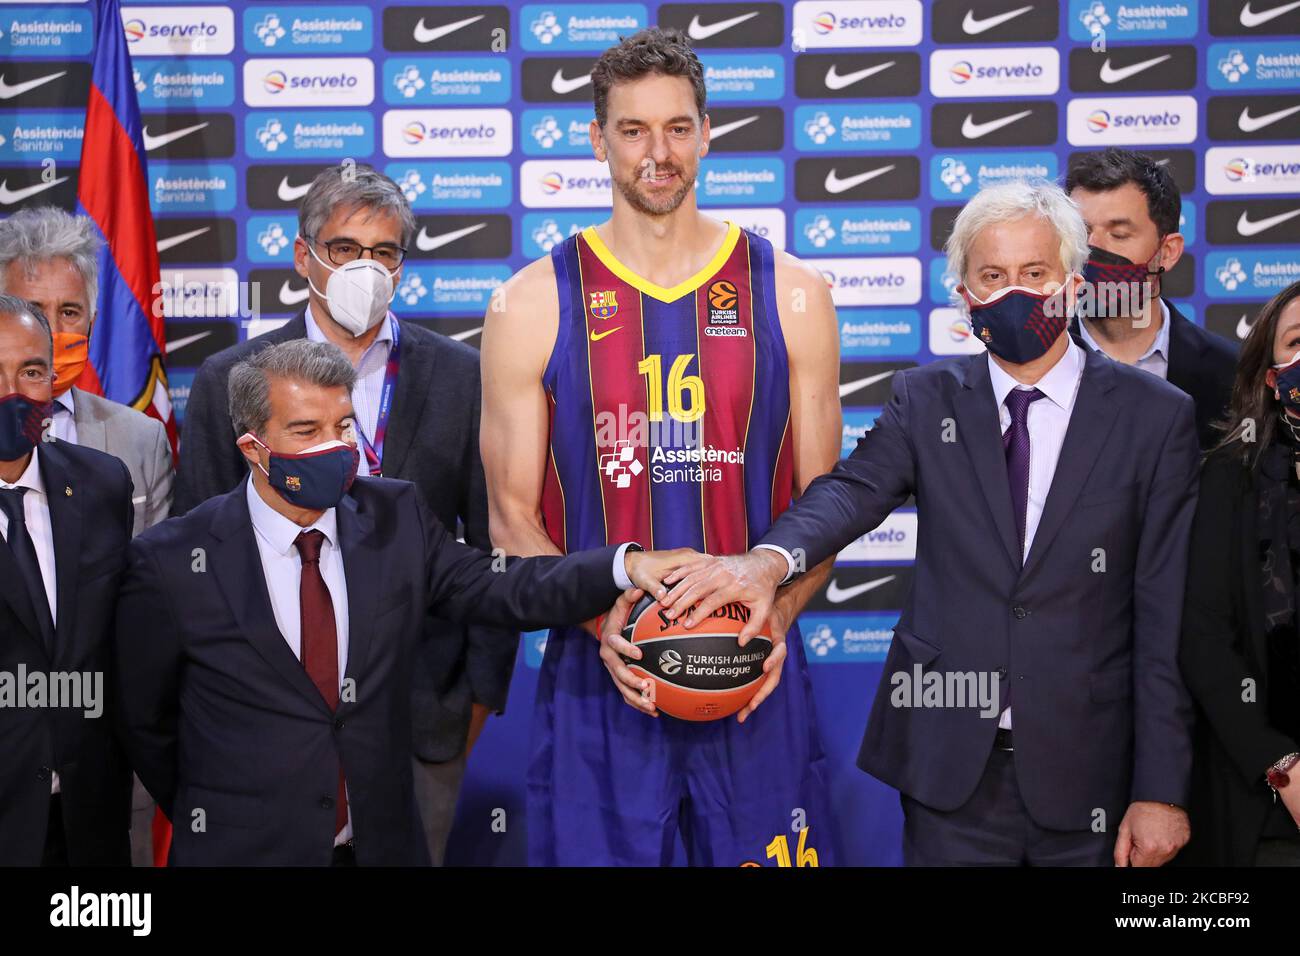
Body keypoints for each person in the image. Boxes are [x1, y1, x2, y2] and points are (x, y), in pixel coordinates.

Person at [657, 181, 1201, 866]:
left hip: (1093, 771)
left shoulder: (1155, 416)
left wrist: (1162, 791)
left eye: (1035, 274)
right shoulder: (925, 400)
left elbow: (1165, 613)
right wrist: (766, 562)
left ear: (1071, 280)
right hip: (951, 774)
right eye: (992, 277)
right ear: (964, 295)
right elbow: (850, 494)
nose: (1014, 293)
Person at [481, 26, 842, 867]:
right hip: (601, 676)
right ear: (598, 138)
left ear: (707, 134)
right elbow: (509, 519)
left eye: (678, 128)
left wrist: (775, 615)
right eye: (634, 130)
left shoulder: (793, 294)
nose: (658, 152)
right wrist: (611, 624)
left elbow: (827, 507)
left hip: (757, 674)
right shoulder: (531, 302)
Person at [115, 339, 688, 866]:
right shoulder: (173, 560)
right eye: (306, 431)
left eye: (342, 426)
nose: (334, 447)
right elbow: (148, 723)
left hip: (382, 849)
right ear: (253, 449)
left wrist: (623, 566)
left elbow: (498, 584)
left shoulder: (394, 517)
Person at [174, 164, 516, 864]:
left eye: (385, 252)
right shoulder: (229, 380)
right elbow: (193, 563)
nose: (368, 267)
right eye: (345, 249)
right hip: (269, 720)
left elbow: (492, 547)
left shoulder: (462, 376)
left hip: (424, 720)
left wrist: (477, 701)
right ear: (304, 258)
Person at [0, 204, 176, 867]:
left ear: (93, 321)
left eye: (68, 313)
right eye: (31, 306)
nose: (49, 328)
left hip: (97, 785)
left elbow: (153, 613)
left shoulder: (135, 444)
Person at [0, 294, 133, 865]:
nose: (10, 393)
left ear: (52, 383)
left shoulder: (103, 485)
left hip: (89, 824)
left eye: (29, 372)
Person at [1179, 280, 1300, 866]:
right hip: (1266, 799)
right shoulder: (1231, 477)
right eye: (1297, 343)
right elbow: (1203, 639)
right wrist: (1282, 768)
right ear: (1271, 373)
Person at [1067, 148, 1237, 450]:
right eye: (1080, 233)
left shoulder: (1233, 374)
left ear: (1167, 252)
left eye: (1118, 235)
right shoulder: (1033, 365)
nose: (1091, 250)